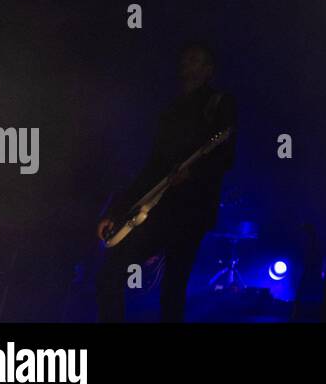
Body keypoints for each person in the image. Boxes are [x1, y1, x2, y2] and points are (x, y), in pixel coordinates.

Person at [95, 42, 236, 321]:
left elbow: (225, 157)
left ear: (209, 70)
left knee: (173, 286)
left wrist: (193, 174)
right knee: (109, 274)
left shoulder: (219, 103)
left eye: (196, 61)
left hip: (191, 210)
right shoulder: (170, 109)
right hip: (158, 206)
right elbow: (152, 166)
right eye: (185, 60)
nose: (187, 65)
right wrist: (116, 211)